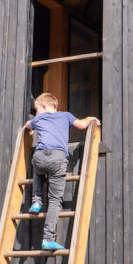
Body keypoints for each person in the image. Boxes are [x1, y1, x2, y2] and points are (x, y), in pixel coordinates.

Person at [25, 92, 100, 251]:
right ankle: (48, 239)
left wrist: (30, 129)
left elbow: (28, 125)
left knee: (37, 165)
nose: (36, 112)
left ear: (44, 106)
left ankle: (36, 200)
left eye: (37, 109)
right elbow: (81, 124)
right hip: (57, 158)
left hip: (40, 157)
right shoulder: (66, 116)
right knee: (54, 200)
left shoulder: (38, 118)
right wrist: (91, 118)